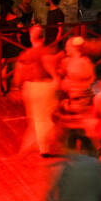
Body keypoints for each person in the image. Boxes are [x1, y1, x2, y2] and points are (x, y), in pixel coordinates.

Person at [14, 24, 60, 156]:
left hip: (32, 88)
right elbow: (56, 68)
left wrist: (16, 88)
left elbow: (19, 73)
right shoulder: (49, 52)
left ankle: (43, 147)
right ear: (43, 37)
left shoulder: (26, 55)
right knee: (44, 117)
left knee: (37, 118)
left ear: (30, 38)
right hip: (47, 86)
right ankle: (45, 142)